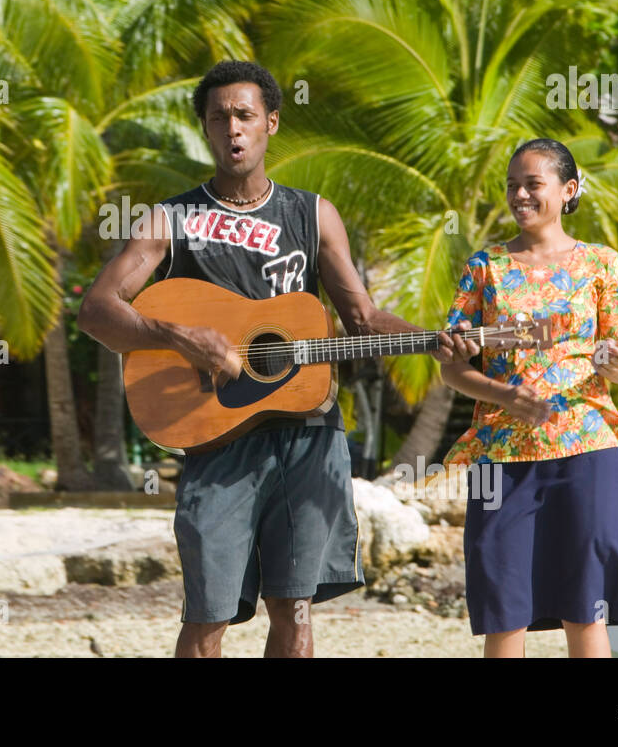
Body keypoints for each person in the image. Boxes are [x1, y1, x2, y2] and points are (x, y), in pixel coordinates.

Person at [78, 59, 474, 658]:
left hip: (309, 435)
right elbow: (97, 310)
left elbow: (362, 319)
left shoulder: (313, 214)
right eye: (219, 118)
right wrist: (178, 335)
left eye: (245, 115)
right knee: (208, 614)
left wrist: (433, 337)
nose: (233, 129)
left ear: (271, 123)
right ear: (205, 130)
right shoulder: (170, 219)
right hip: (216, 437)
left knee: (295, 608)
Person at [438, 137, 618, 658]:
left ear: (568, 189)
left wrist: (610, 360)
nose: (520, 195)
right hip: (500, 459)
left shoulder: (603, 264)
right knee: (503, 608)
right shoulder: (484, 267)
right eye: (513, 185)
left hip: (588, 448)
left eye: (533, 184)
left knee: (586, 607)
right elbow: (451, 366)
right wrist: (502, 394)